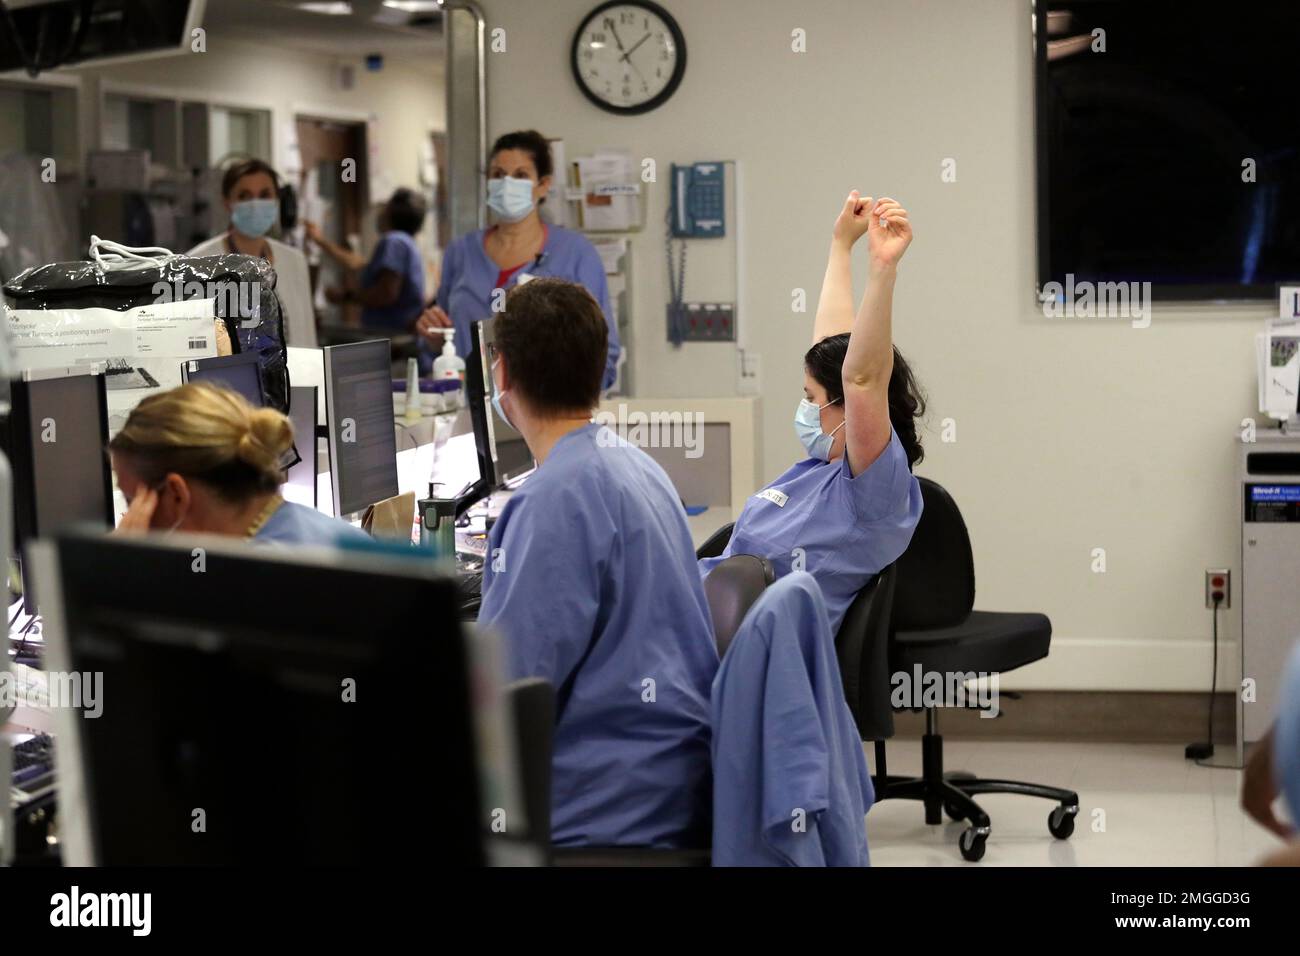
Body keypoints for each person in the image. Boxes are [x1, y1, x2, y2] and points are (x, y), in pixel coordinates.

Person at [476, 278, 715, 848]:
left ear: (500, 374)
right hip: (669, 777)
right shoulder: (635, 465)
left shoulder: (552, 500)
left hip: (605, 804)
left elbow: (507, 692)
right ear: (599, 371)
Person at [699, 192, 924, 634]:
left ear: (849, 409)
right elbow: (836, 351)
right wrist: (842, 245)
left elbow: (862, 378)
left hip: (737, 659)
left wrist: (883, 269)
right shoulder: (818, 469)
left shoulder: (871, 491)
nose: (804, 409)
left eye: (811, 397)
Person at [414, 130, 621, 389]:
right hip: (469, 411)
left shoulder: (575, 255)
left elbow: (604, 354)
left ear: (543, 184)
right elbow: (441, 345)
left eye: (521, 175)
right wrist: (433, 341)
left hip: (548, 416)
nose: (507, 183)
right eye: (498, 175)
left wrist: (559, 401)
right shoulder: (461, 252)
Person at [109, 382, 369, 548]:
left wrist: (123, 569)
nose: (127, 523)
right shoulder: (346, 537)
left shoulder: (238, 588)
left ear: (177, 494)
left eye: (133, 501)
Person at [188, 158, 317, 349]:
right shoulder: (198, 263)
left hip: (294, 374)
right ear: (227, 203)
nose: (256, 204)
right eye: (244, 196)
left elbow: (306, 336)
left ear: (276, 201)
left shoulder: (295, 261)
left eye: (265, 195)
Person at [306, 188, 427, 335]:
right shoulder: (406, 243)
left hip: (392, 337)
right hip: (397, 335)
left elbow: (386, 293)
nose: (380, 213)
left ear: (390, 212)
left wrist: (345, 296)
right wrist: (320, 240)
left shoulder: (394, 241)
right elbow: (358, 265)